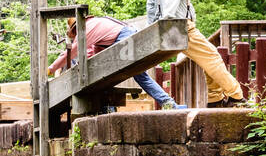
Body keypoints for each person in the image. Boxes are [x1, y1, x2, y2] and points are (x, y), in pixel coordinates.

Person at [146, 0, 246, 107]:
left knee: (210, 56)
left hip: (165, 25)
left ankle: (215, 99)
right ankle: (236, 96)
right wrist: (169, 22)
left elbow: (150, 3)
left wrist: (153, 26)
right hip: (177, 26)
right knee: (213, 58)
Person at [47, 15, 187, 109]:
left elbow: (72, 52)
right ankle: (169, 104)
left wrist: (51, 69)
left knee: (114, 75)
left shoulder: (86, 29)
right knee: (138, 76)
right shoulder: (96, 25)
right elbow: (92, 52)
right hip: (126, 34)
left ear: (75, 29)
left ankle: (169, 104)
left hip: (124, 37)